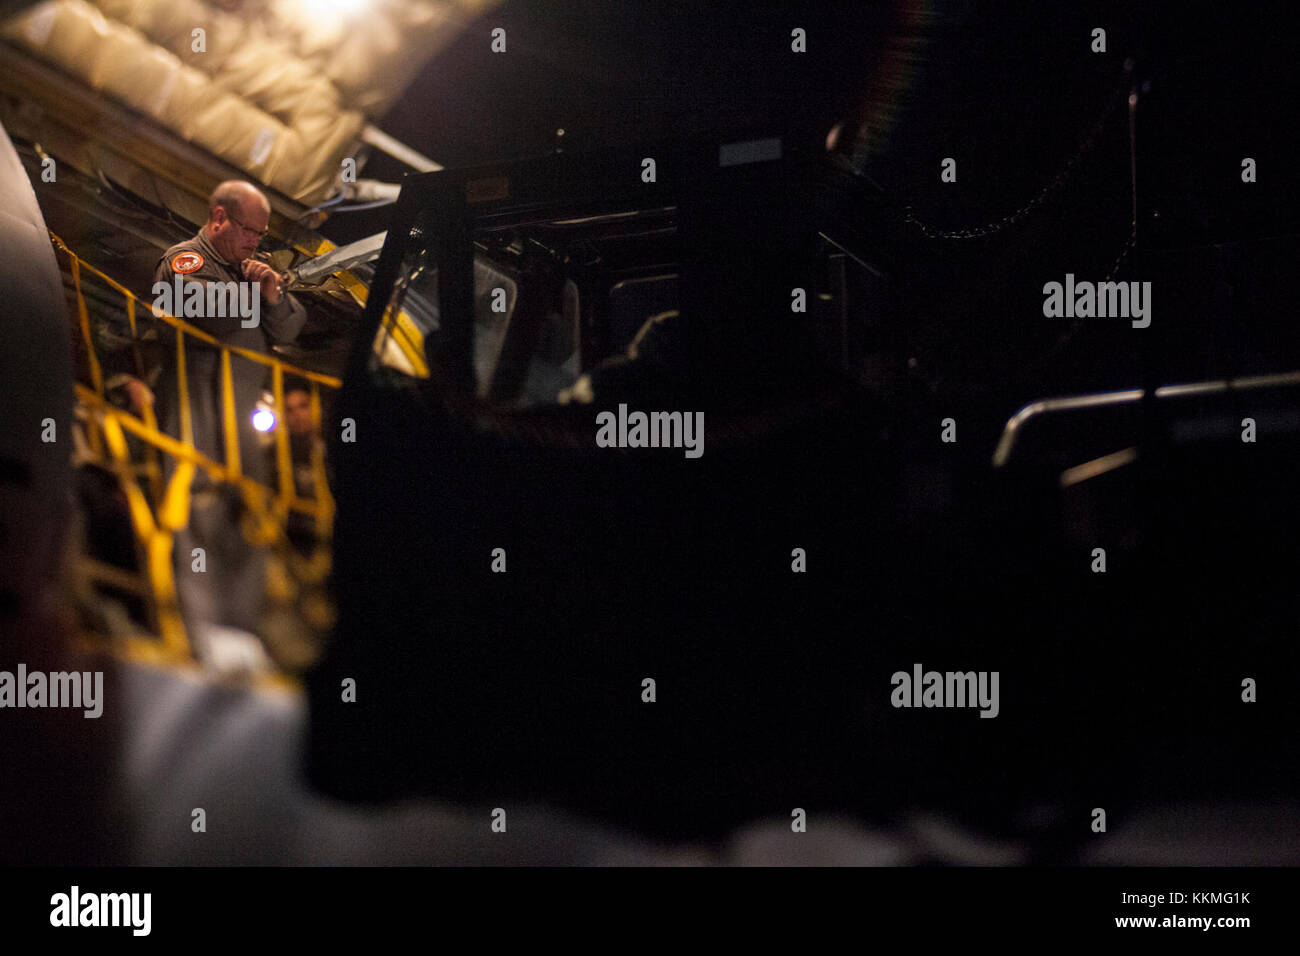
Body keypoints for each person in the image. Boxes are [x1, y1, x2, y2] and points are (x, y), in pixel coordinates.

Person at [151, 181, 307, 665]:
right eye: (248, 230)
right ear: (218, 218)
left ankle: (240, 634)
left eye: (261, 235)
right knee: (199, 506)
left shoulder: (252, 272)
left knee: (249, 512)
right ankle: (199, 628)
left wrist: (273, 294)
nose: (255, 241)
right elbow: (202, 310)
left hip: (240, 418)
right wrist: (255, 292)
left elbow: (291, 327)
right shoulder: (184, 259)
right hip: (196, 404)